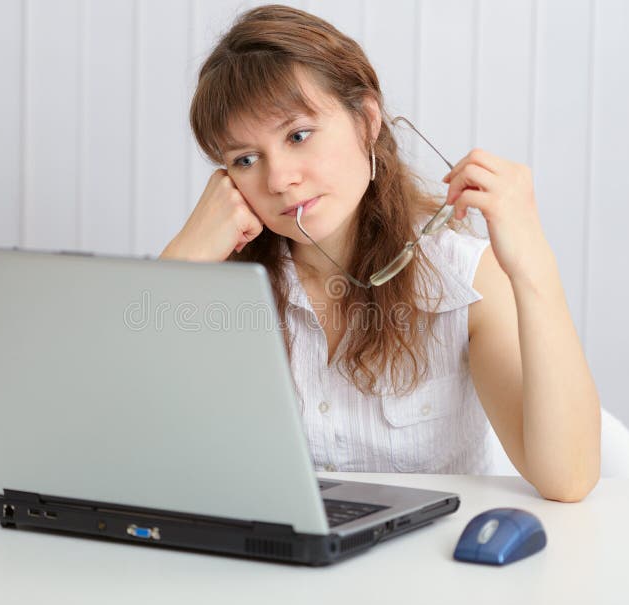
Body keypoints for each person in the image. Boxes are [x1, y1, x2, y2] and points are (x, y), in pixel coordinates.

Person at [160, 4, 600, 502]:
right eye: (245, 159)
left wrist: (533, 263)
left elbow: (567, 478)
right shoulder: (213, 285)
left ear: (367, 120)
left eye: (298, 135)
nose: (279, 179)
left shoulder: (462, 276)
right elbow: (125, 455)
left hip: (434, 551)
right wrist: (180, 263)